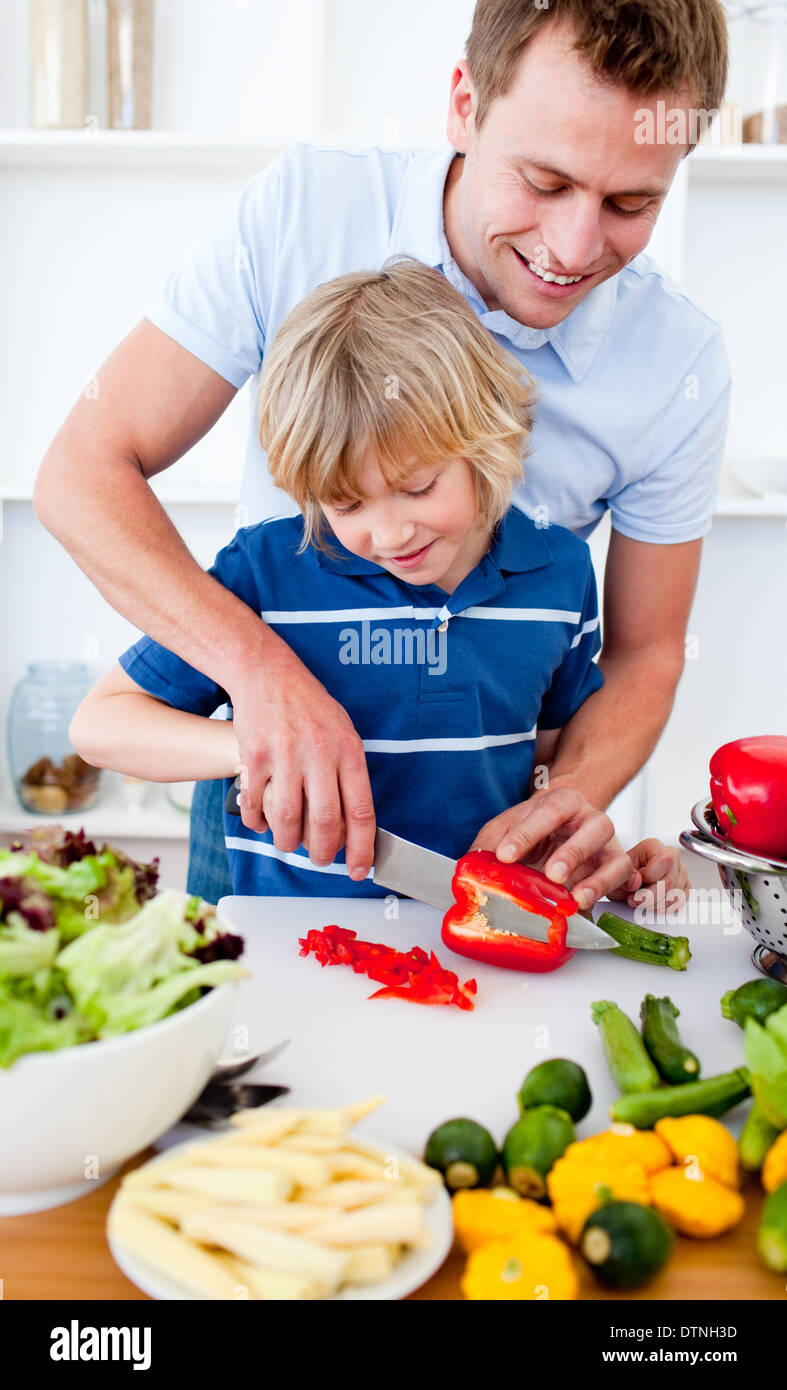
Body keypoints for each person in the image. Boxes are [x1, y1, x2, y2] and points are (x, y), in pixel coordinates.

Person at [36, 0, 726, 909]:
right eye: (543, 181)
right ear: (464, 105)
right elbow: (83, 471)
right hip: (276, 811)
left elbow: (639, 659)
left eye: (631, 202)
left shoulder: (677, 362)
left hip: (480, 852)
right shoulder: (305, 208)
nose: (572, 247)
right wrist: (265, 687)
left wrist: (558, 820)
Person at [69, 258, 686, 905]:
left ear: (484, 436)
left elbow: (547, 766)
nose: (390, 535)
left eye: (417, 488)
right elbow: (101, 726)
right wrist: (254, 744)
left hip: (472, 946)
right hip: (292, 950)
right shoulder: (267, 569)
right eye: (345, 503)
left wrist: (581, 849)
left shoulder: (558, 574)